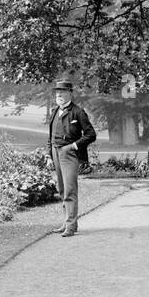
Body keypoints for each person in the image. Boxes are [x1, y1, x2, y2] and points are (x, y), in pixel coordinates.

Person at [46, 80, 96, 237]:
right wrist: (49, 155)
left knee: (70, 189)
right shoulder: (54, 111)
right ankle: (66, 222)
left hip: (70, 154)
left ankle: (71, 226)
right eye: (57, 92)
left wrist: (74, 146)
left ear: (70, 93)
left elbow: (91, 135)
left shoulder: (78, 112)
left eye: (62, 92)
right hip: (55, 152)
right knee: (62, 189)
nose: (59, 94)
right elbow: (50, 136)